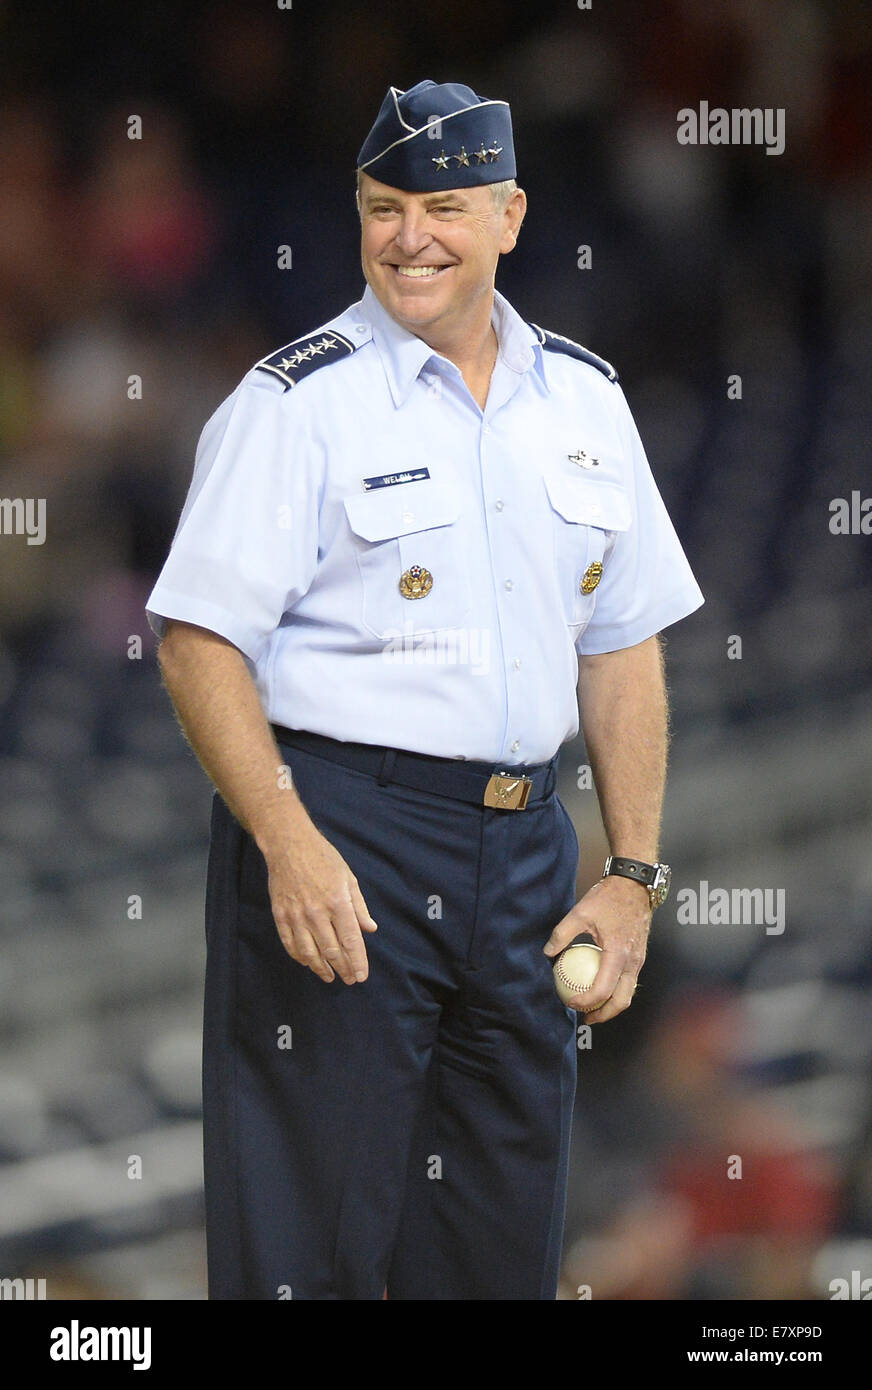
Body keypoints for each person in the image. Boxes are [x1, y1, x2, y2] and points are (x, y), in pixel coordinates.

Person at [146, 79, 704, 1301]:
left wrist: (629, 871)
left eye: (444, 206)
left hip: (524, 853)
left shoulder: (586, 401)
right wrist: (285, 838)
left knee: (497, 1250)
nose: (411, 237)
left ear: (508, 214)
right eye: (383, 206)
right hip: (343, 840)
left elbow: (619, 646)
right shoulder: (294, 403)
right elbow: (195, 638)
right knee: (308, 1250)